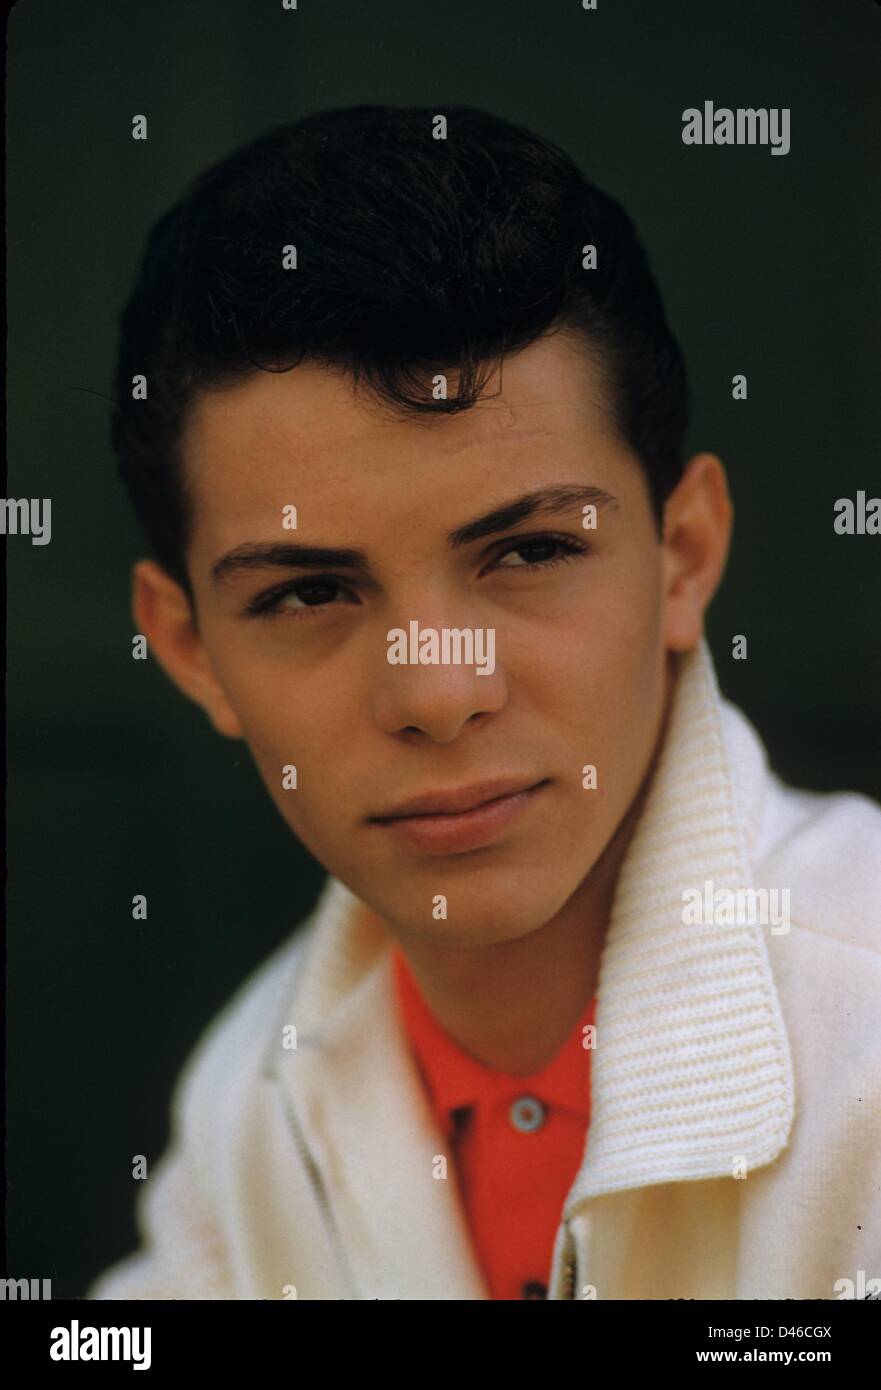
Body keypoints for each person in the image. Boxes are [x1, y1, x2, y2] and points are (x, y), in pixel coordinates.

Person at [87, 105, 881, 1300]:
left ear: (682, 554)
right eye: (309, 591)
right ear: (190, 650)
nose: (438, 690)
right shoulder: (247, 1106)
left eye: (527, 553)